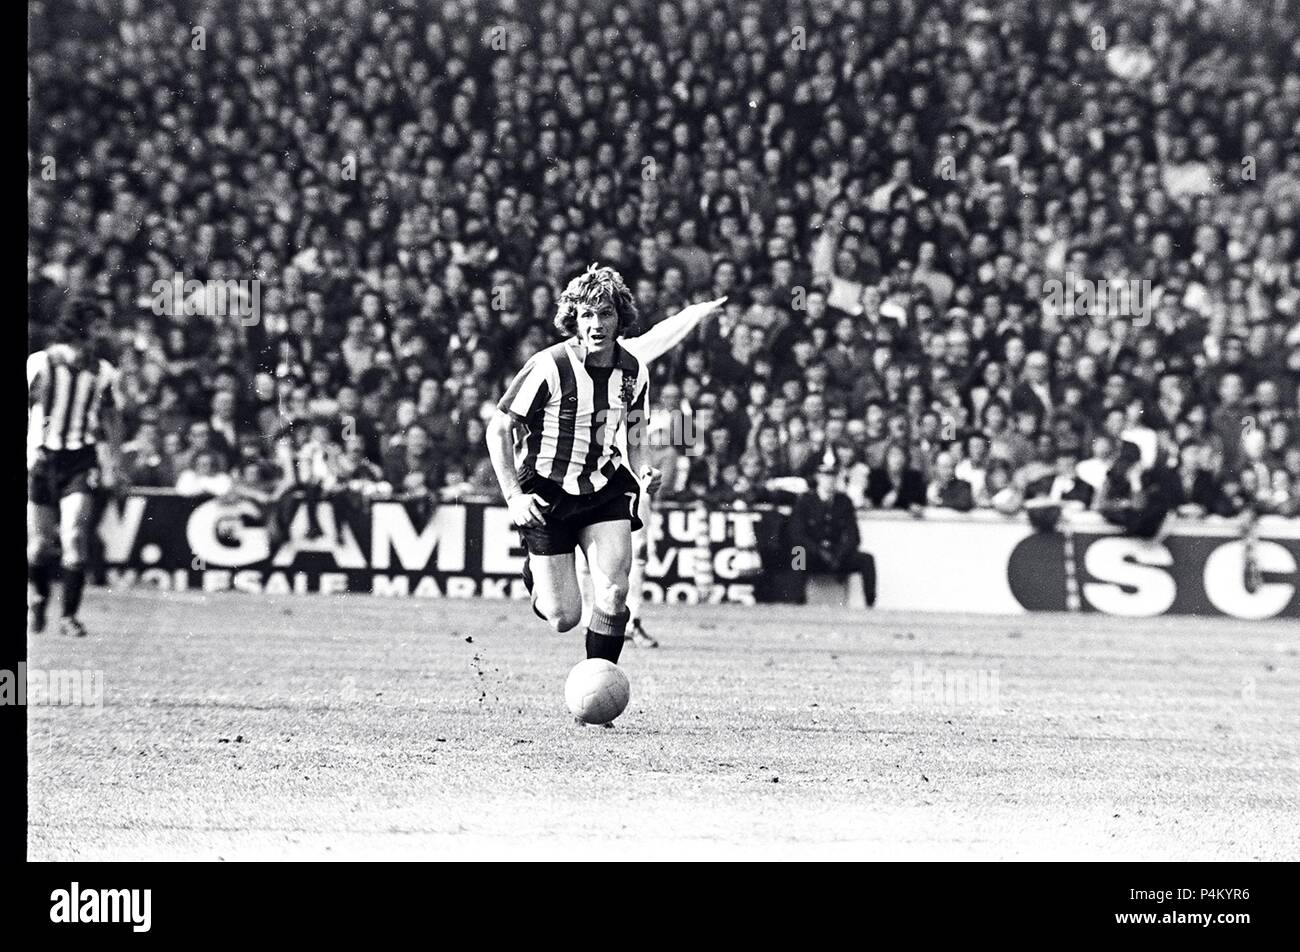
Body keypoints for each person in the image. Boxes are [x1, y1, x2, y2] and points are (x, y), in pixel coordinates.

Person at [485, 264, 661, 681]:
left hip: (604, 486)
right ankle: (538, 573)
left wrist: (643, 468)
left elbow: (634, 432)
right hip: (545, 492)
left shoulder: (634, 370)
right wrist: (514, 496)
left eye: (605, 313)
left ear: (620, 317)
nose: (596, 324)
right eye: (586, 315)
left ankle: (596, 686)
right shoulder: (549, 365)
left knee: (616, 590)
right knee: (563, 616)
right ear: (573, 320)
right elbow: (498, 427)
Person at [573, 295, 728, 647]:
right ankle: (587, 619)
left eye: (607, 313)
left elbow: (664, 334)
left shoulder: (630, 355)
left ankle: (631, 621)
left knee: (636, 547)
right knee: (588, 548)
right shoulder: (569, 357)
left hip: (627, 464)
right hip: (584, 464)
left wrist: (697, 311)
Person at [27, 301, 124, 637]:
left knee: (73, 533)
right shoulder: (41, 363)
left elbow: (111, 416)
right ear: (81, 327)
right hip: (41, 459)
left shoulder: (104, 371)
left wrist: (116, 459)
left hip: (80, 458)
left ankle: (69, 616)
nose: (103, 333)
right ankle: (37, 599)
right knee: (38, 544)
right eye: (98, 326)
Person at [789, 460, 876, 606]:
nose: (829, 480)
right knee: (798, 555)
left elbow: (853, 536)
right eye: (825, 475)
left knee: (866, 559)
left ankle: (870, 603)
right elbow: (797, 535)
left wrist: (839, 554)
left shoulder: (844, 502)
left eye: (833, 476)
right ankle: (797, 601)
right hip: (814, 555)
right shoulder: (805, 501)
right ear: (818, 477)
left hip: (838, 556)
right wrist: (820, 552)